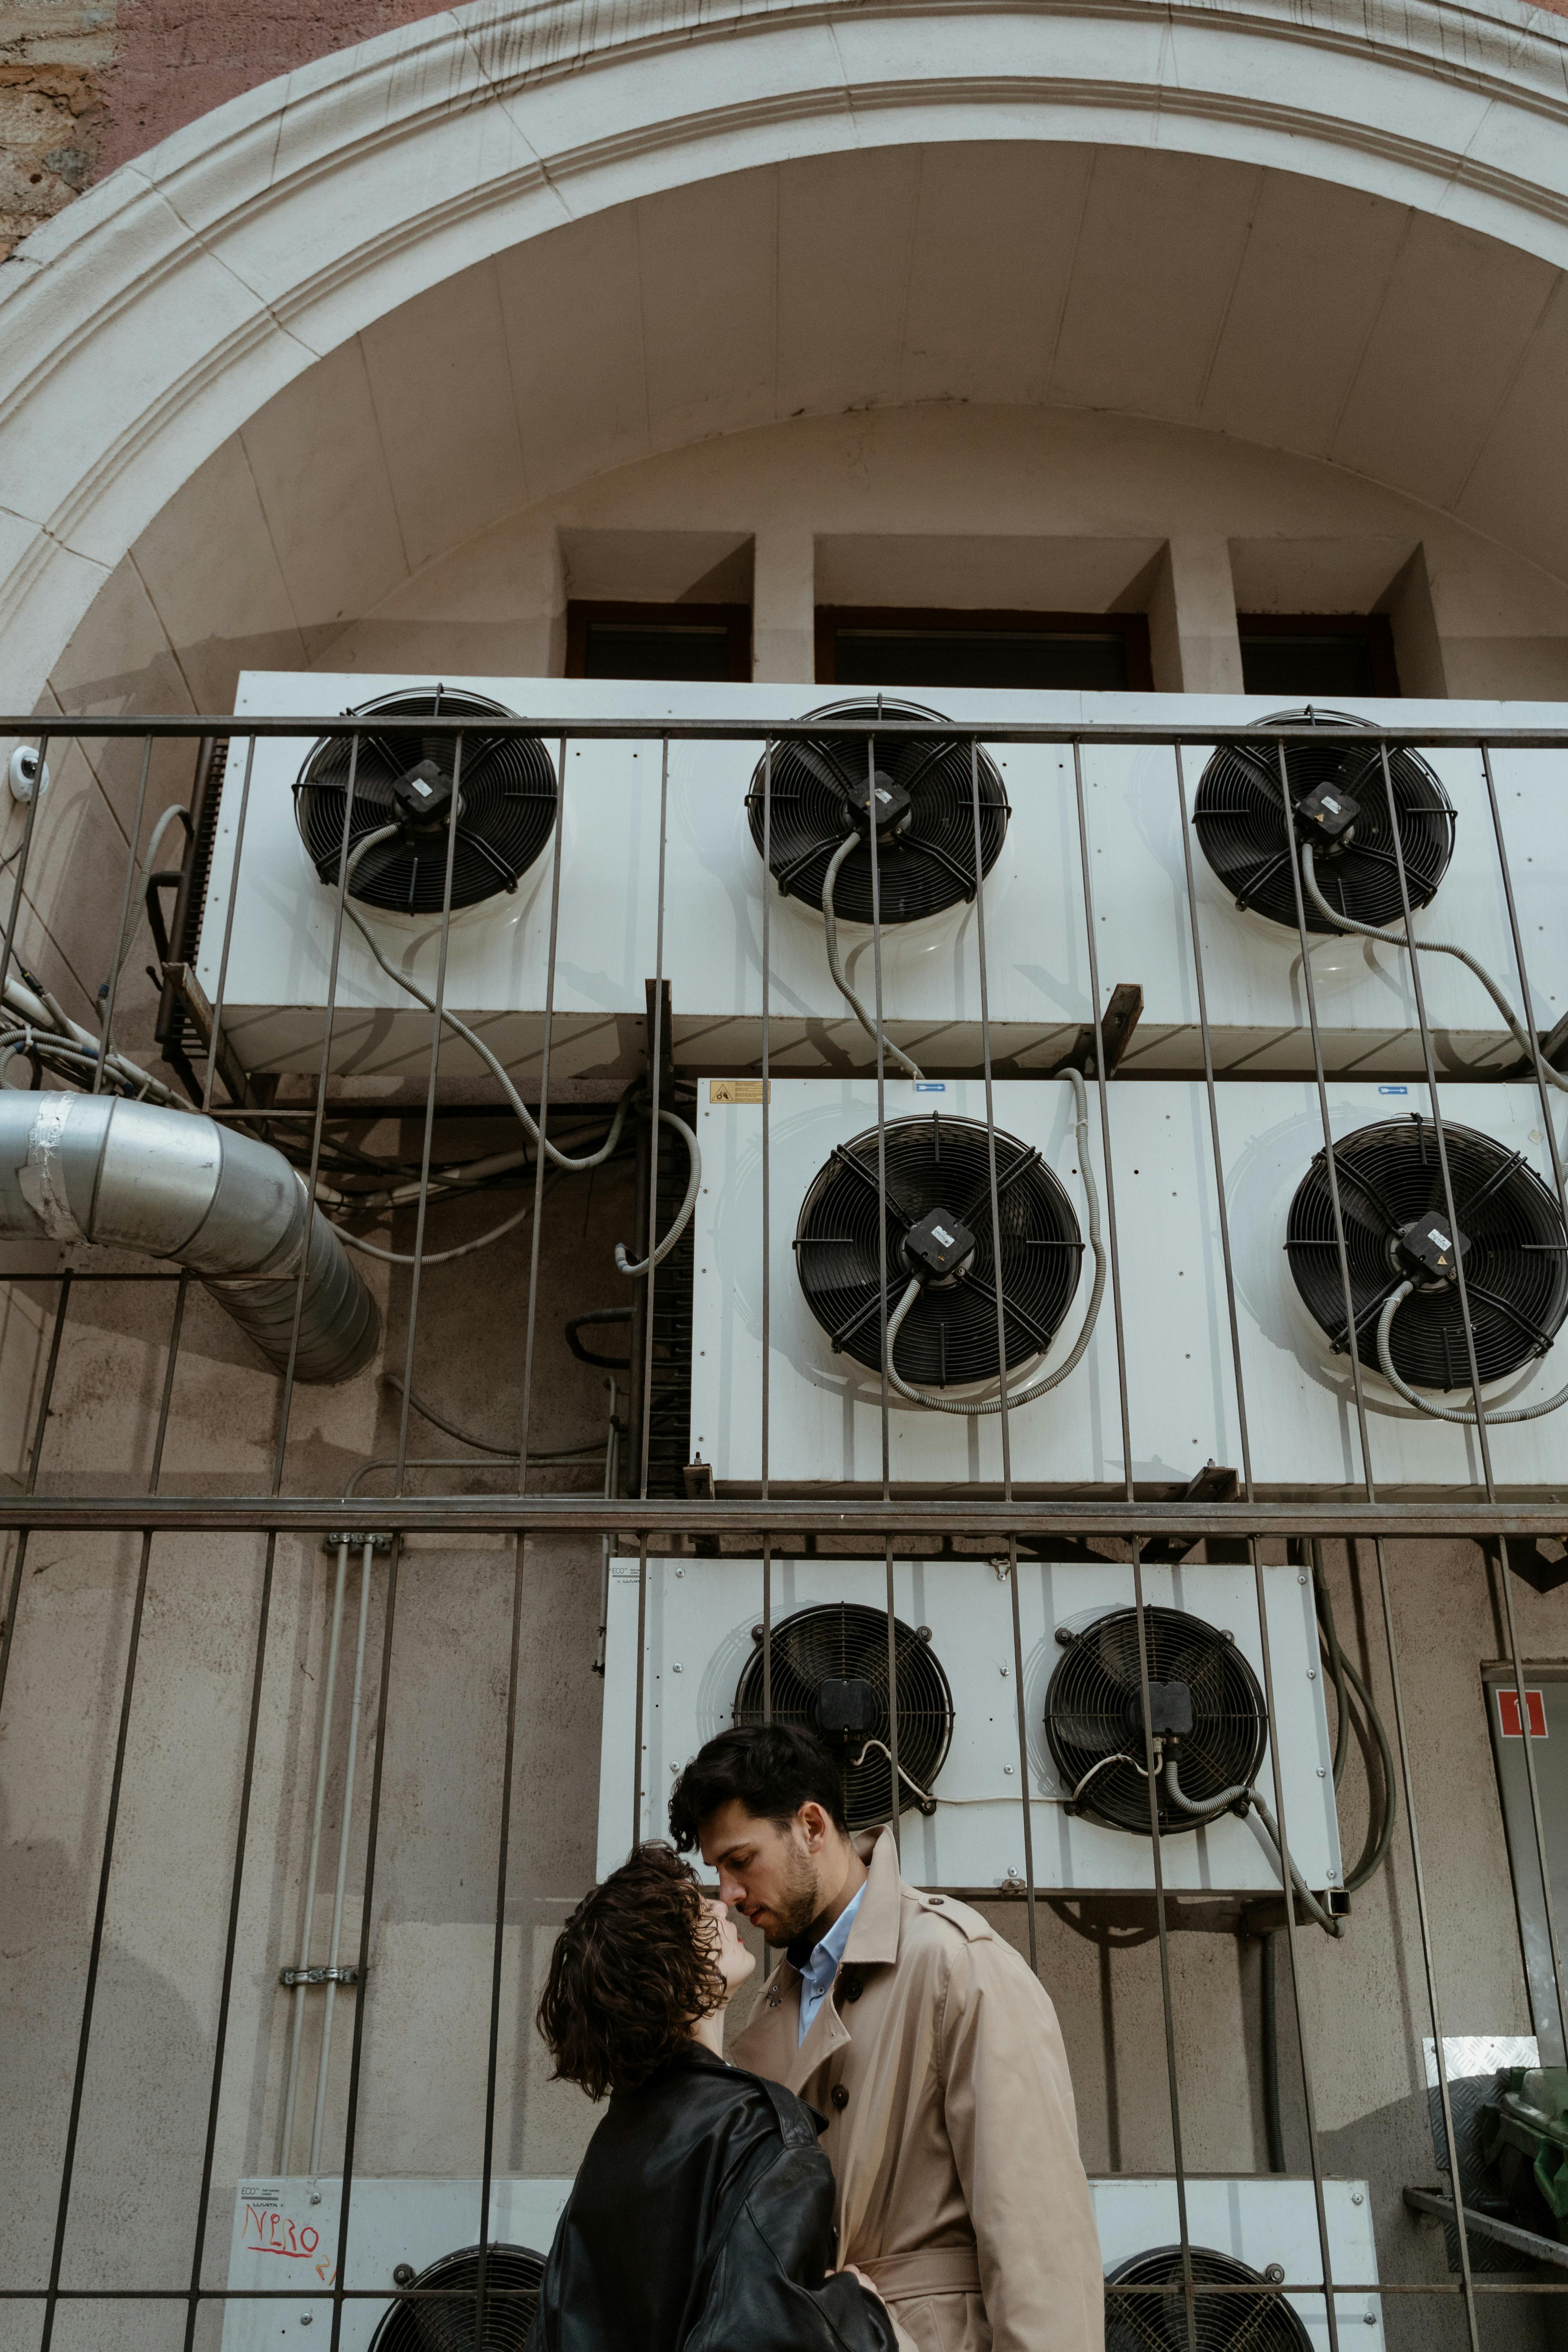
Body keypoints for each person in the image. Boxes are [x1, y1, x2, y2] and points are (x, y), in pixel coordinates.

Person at [669, 1724, 1104, 2352]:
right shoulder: (776, 1997)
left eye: (740, 1861)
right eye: (717, 1871)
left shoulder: (954, 1962)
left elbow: (1038, 2237)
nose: (729, 1895)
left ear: (811, 1828)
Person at [528, 1840, 906, 2352]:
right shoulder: (753, 2127)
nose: (718, 1904)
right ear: (667, 1974)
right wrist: (860, 2316)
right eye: (692, 1912)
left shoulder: (607, 2153)